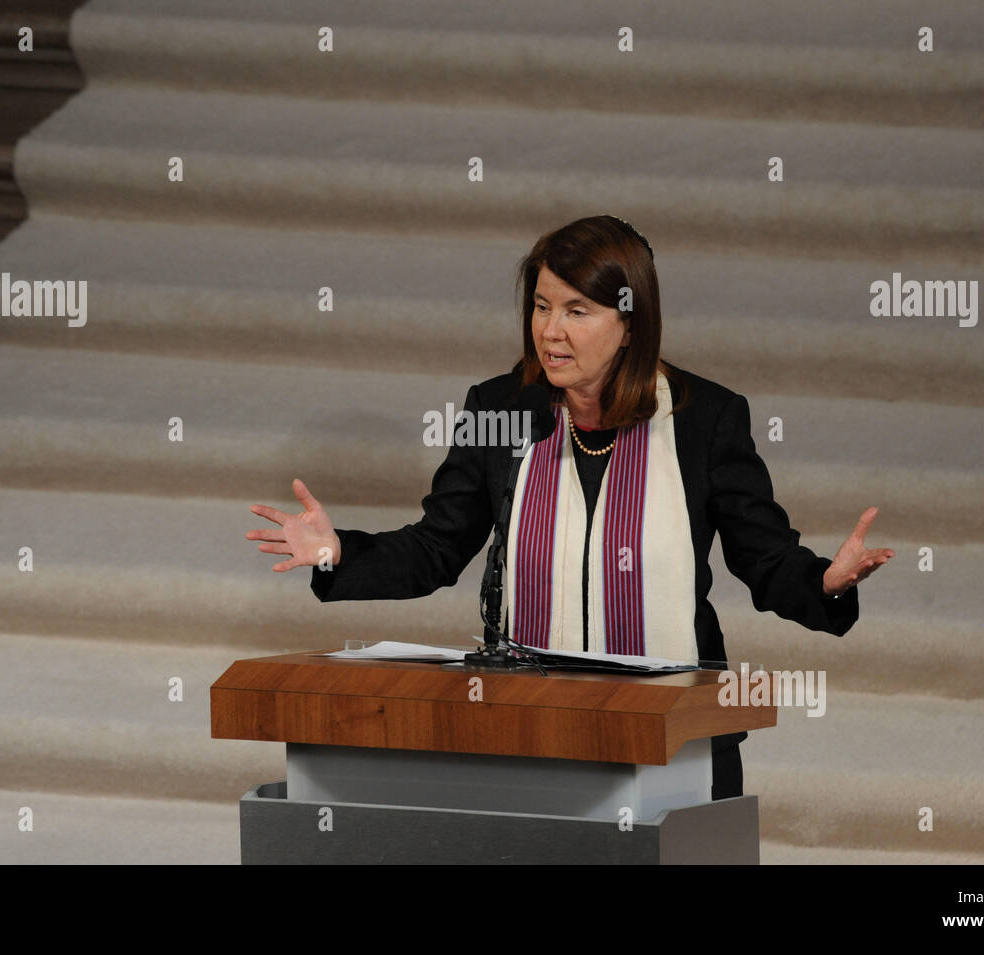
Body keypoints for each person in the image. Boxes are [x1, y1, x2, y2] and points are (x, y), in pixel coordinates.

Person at [247, 214, 894, 799]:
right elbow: (437, 547)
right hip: (531, 736)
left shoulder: (706, 419)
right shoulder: (502, 409)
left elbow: (765, 558)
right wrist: (337, 553)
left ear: (628, 322)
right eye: (540, 306)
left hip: (677, 739)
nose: (550, 331)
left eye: (576, 311)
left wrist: (827, 584)